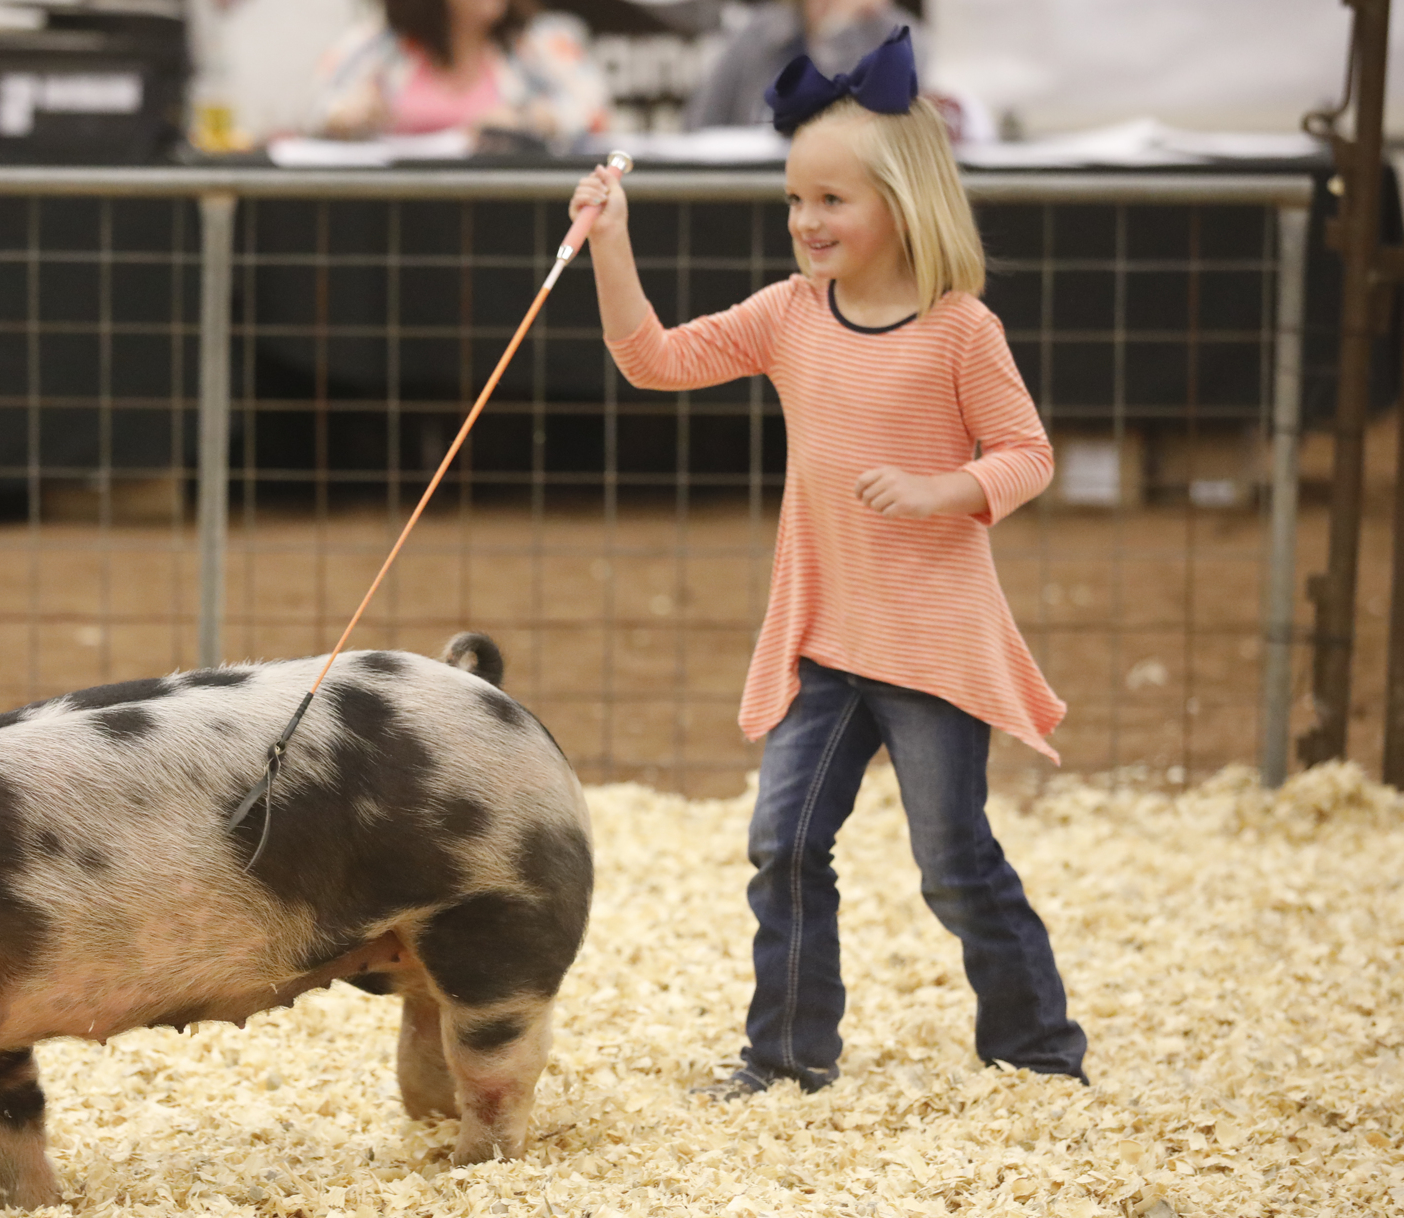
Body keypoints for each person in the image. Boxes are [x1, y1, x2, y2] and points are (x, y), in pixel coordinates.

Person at [571, 28, 1086, 1096]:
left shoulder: (959, 330)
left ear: (900, 201)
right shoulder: (787, 315)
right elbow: (653, 360)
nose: (805, 223)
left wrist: (946, 491)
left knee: (952, 864)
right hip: (823, 640)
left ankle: (1035, 1053)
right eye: (794, 202)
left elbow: (1026, 454)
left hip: (929, 645)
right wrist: (609, 242)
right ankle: (785, 1058)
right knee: (784, 846)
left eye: (830, 202)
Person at [308, 0, 610, 146]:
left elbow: (593, 111)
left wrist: (530, 120)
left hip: (506, 216)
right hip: (398, 220)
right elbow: (315, 110)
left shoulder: (536, 42)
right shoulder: (378, 45)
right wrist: (348, 116)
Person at [686, 0, 916, 131]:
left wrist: (837, 34)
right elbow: (697, 125)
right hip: (749, 197)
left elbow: (840, 127)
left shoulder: (895, 37)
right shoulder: (761, 34)